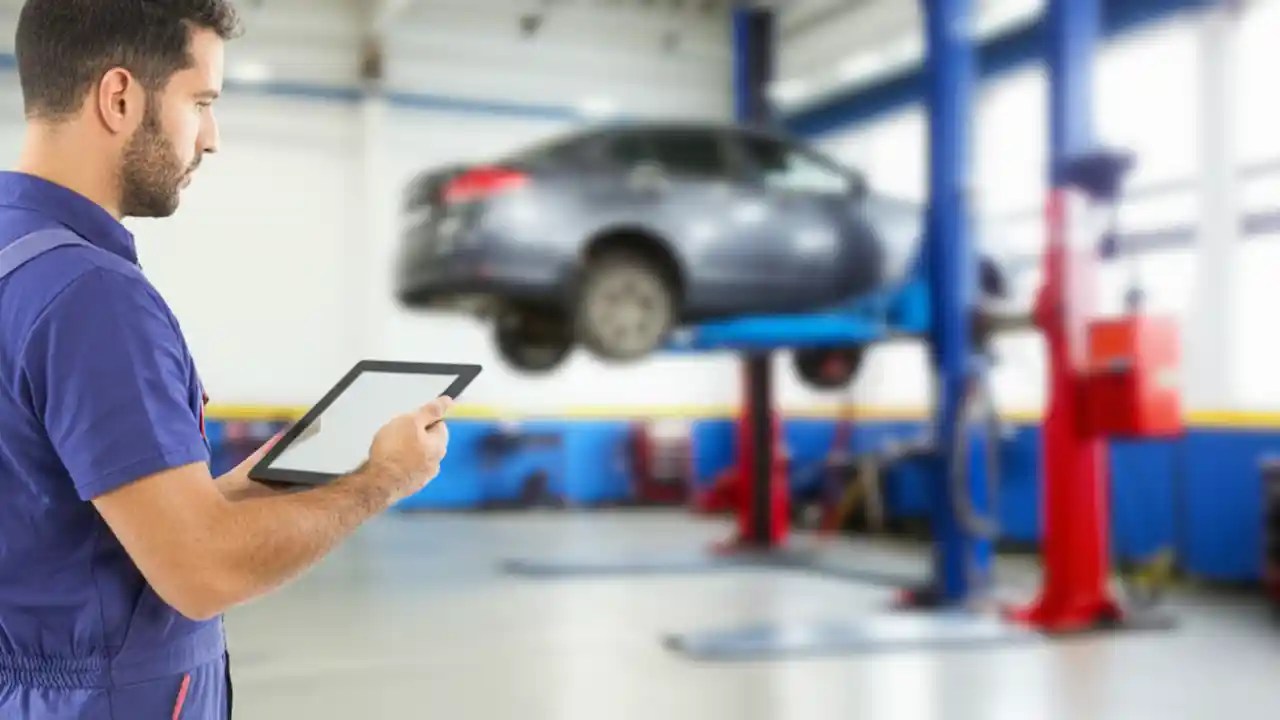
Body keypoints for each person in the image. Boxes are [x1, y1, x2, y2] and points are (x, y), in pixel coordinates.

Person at [0, 1, 452, 717]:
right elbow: (202, 569)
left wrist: (259, 482)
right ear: (119, 98)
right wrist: (381, 479)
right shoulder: (92, 295)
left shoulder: (16, 255)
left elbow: (80, 515)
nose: (210, 139)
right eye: (201, 103)